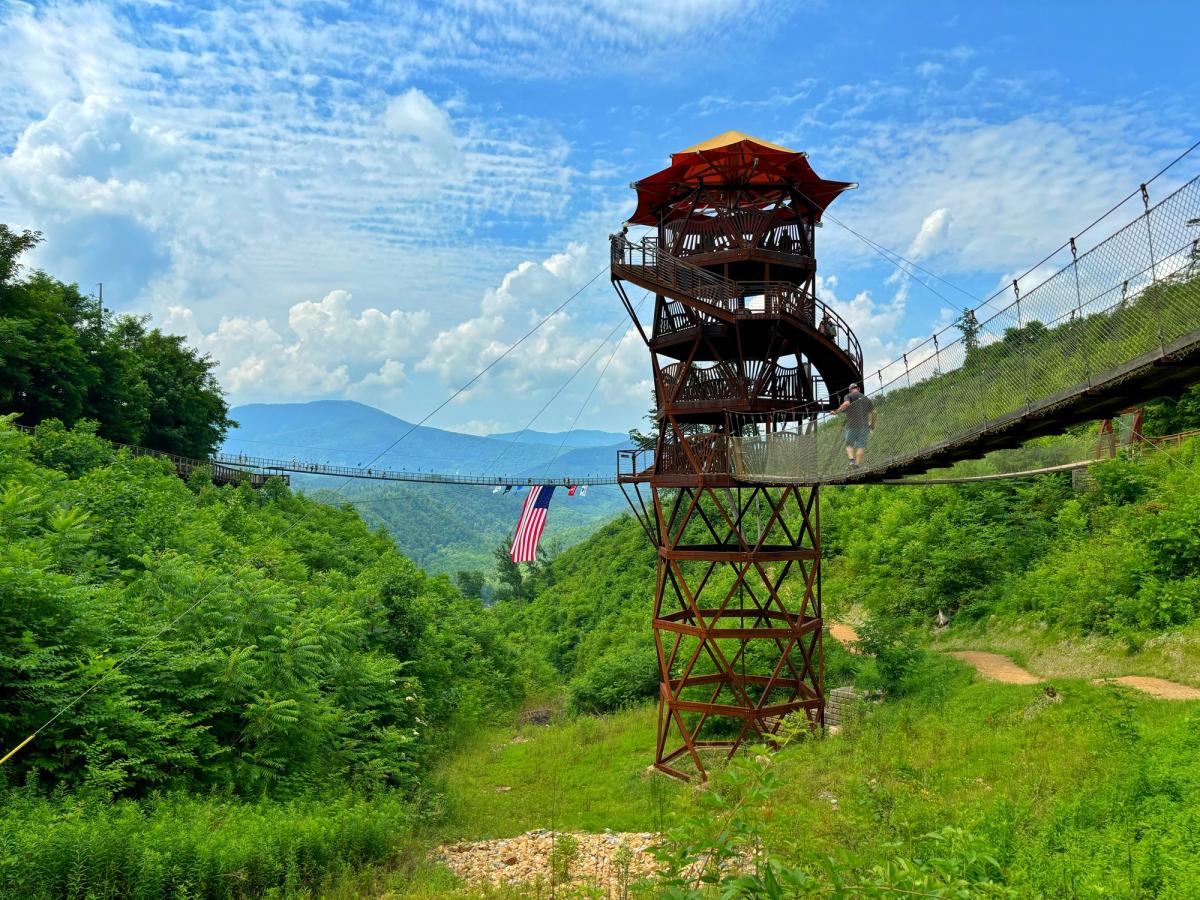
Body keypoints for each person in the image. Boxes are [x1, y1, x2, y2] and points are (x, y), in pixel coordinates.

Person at [836, 383, 876, 469]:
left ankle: (852, 461)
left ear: (850, 390)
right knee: (861, 446)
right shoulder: (866, 399)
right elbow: (874, 413)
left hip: (853, 425)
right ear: (858, 389)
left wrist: (836, 411)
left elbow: (846, 404)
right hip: (864, 427)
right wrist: (872, 424)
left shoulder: (849, 395)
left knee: (849, 444)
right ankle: (856, 466)